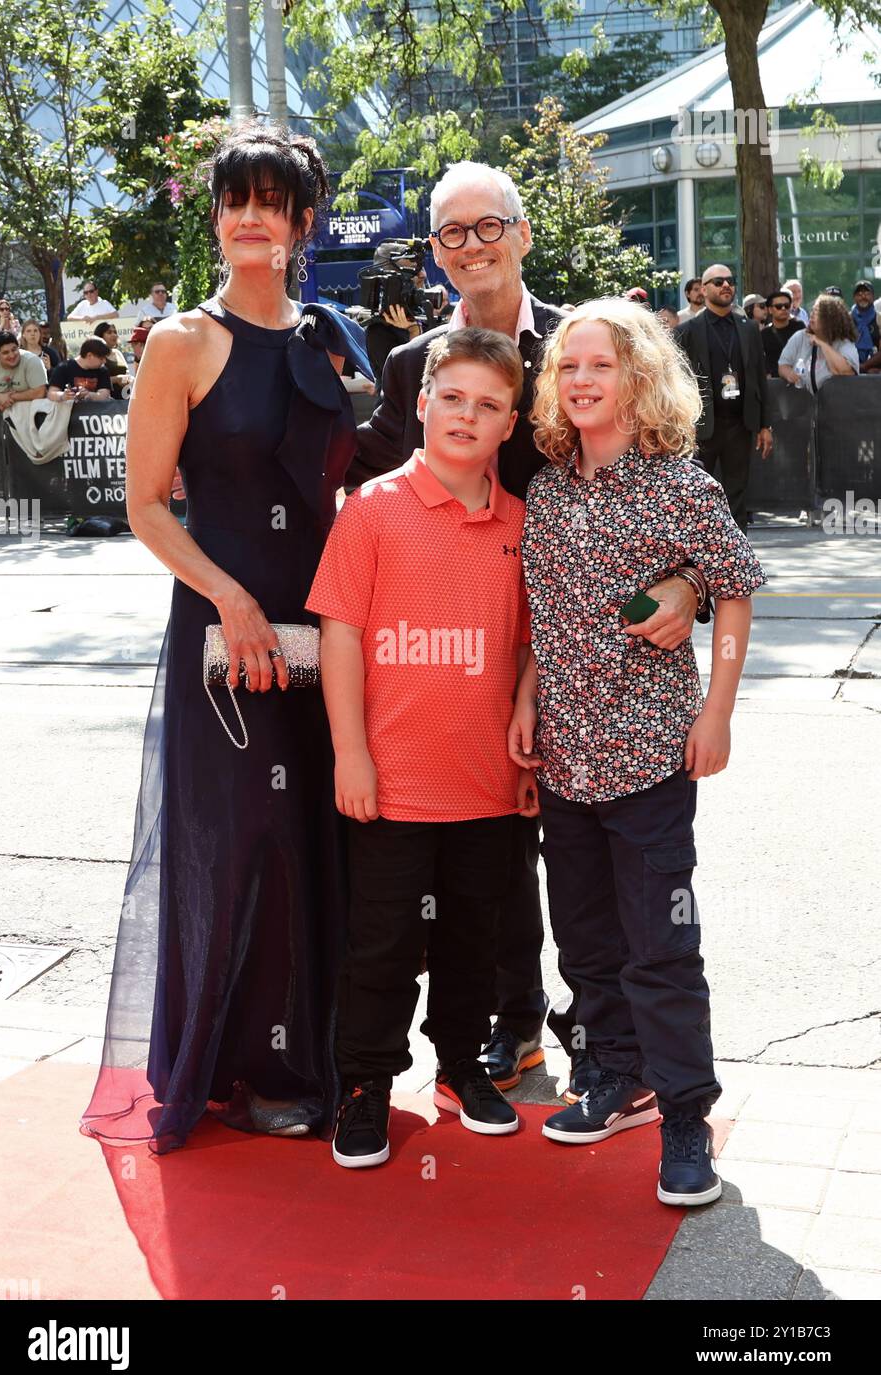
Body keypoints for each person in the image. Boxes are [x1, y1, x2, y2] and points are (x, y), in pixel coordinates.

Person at [351, 159, 703, 1093]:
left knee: (595, 865)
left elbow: (677, 492)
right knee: (496, 857)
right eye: (451, 233)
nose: (471, 246)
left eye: (487, 226)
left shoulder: (586, 343)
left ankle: (613, 1044)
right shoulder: (409, 365)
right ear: (434, 253)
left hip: (584, 658)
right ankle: (512, 1026)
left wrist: (685, 585)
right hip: (463, 649)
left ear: (523, 233)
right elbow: (378, 487)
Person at [79, 119, 372, 1154]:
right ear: (217, 218)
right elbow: (149, 505)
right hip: (225, 626)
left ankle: (311, 1062)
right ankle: (231, 1060)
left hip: (327, 618)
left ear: (300, 223)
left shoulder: (331, 334)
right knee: (238, 837)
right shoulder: (180, 341)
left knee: (318, 838)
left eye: (272, 204)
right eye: (234, 201)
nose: (251, 219)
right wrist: (230, 599)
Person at [511, 297, 765, 1205]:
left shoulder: (680, 486)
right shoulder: (544, 488)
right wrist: (528, 696)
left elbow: (734, 591)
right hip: (566, 762)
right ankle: (615, 1078)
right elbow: (546, 613)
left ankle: (686, 1120)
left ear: (639, 378)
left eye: (602, 366)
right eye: (568, 366)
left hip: (654, 758)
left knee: (660, 947)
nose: (582, 380)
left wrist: (718, 713)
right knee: (584, 944)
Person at [307, 327, 538, 1168]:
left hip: (483, 780)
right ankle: (365, 1084)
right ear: (421, 402)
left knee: (473, 938)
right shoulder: (371, 510)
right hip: (392, 780)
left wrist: (522, 741)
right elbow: (339, 637)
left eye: (488, 406)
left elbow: (526, 646)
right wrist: (350, 754)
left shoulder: (522, 524)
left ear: (510, 424)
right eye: (454, 398)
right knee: (382, 944)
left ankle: (459, 1070)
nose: (467, 416)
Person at [674, 263, 772, 532]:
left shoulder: (748, 327)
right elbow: (677, 381)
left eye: (730, 281)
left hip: (740, 424)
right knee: (697, 495)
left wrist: (765, 424)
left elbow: (758, 378)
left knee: (737, 494)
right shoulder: (688, 330)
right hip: (701, 427)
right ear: (703, 290)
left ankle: (739, 557)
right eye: (718, 282)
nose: (726, 285)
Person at [778, 293, 859, 393]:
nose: (812, 314)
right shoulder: (800, 337)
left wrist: (822, 344)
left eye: (817, 312)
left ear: (830, 318)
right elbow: (783, 364)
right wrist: (789, 375)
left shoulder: (843, 342)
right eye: (812, 310)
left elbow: (845, 372)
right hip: (805, 404)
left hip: (837, 403)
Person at [0, 330, 48, 411]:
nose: (12, 355)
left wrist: (9, 397)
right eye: (5, 352)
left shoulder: (32, 361)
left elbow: (40, 392)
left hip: (30, 411)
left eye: (14, 349)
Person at [47, 338, 112, 402]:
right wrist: (63, 396)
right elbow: (51, 393)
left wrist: (89, 395)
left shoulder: (102, 370)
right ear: (89, 355)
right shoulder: (64, 368)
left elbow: (104, 396)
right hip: (69, 410)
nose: (104, 361)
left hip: (97, 411)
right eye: (101, 358)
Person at [761, 289, 799, 378]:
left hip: (798, 379)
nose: (783, 308)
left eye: (787, 305)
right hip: (775, 381)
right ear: (770, 310)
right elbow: (760, 359)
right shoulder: (764, 334)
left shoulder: (799, 327)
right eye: (778, 306)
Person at [94, 321, 131, 389]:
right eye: (109, 332)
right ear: (100, 336)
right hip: (106, 397)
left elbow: (127, 373)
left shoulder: (118, 353)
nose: (114, 335)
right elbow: (94, 380)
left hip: (125, 396)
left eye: (115, 332)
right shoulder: (96, 355)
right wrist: (116, 379)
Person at [850, 280, 880, 366]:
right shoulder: (847, 320)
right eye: (859, 294)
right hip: (850, 367)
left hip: (875, 370)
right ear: (854, 297)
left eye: (867, 294)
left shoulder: (879, 319)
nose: (863, 297)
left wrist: (864, 367)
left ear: (873, 297)